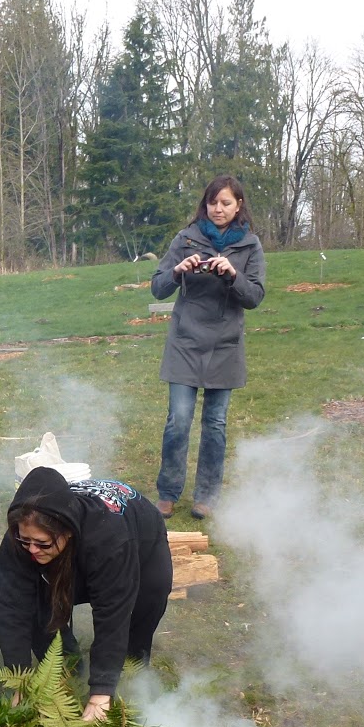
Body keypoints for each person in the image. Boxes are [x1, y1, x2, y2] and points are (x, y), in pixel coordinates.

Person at [0, 467, 171, 722]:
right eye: (25, 541)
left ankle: (133, 679)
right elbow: (10, 605)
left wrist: (101, 692)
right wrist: (19, 679)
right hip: (80, 549)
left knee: (144, 607)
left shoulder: (108, 541)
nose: (32, 550)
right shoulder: (22, 537)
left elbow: (112, 612)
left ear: (68, 532)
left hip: (142, 539)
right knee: (40, 605)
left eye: (42, 543)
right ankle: (67, 667)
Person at [150, 175, 266, 520]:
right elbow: (157, 288)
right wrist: (177, 271)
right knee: (179, 421)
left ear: (238, 205)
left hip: (225, 347)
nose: (219, 209)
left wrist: (233, 275)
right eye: (213, 203)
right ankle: (168, 492)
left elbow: (255, 297)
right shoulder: (185, 239)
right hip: (185, 343)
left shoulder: (250, 246)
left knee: (215, 424)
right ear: (206, 204)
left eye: (226, 203)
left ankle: (206, 497)